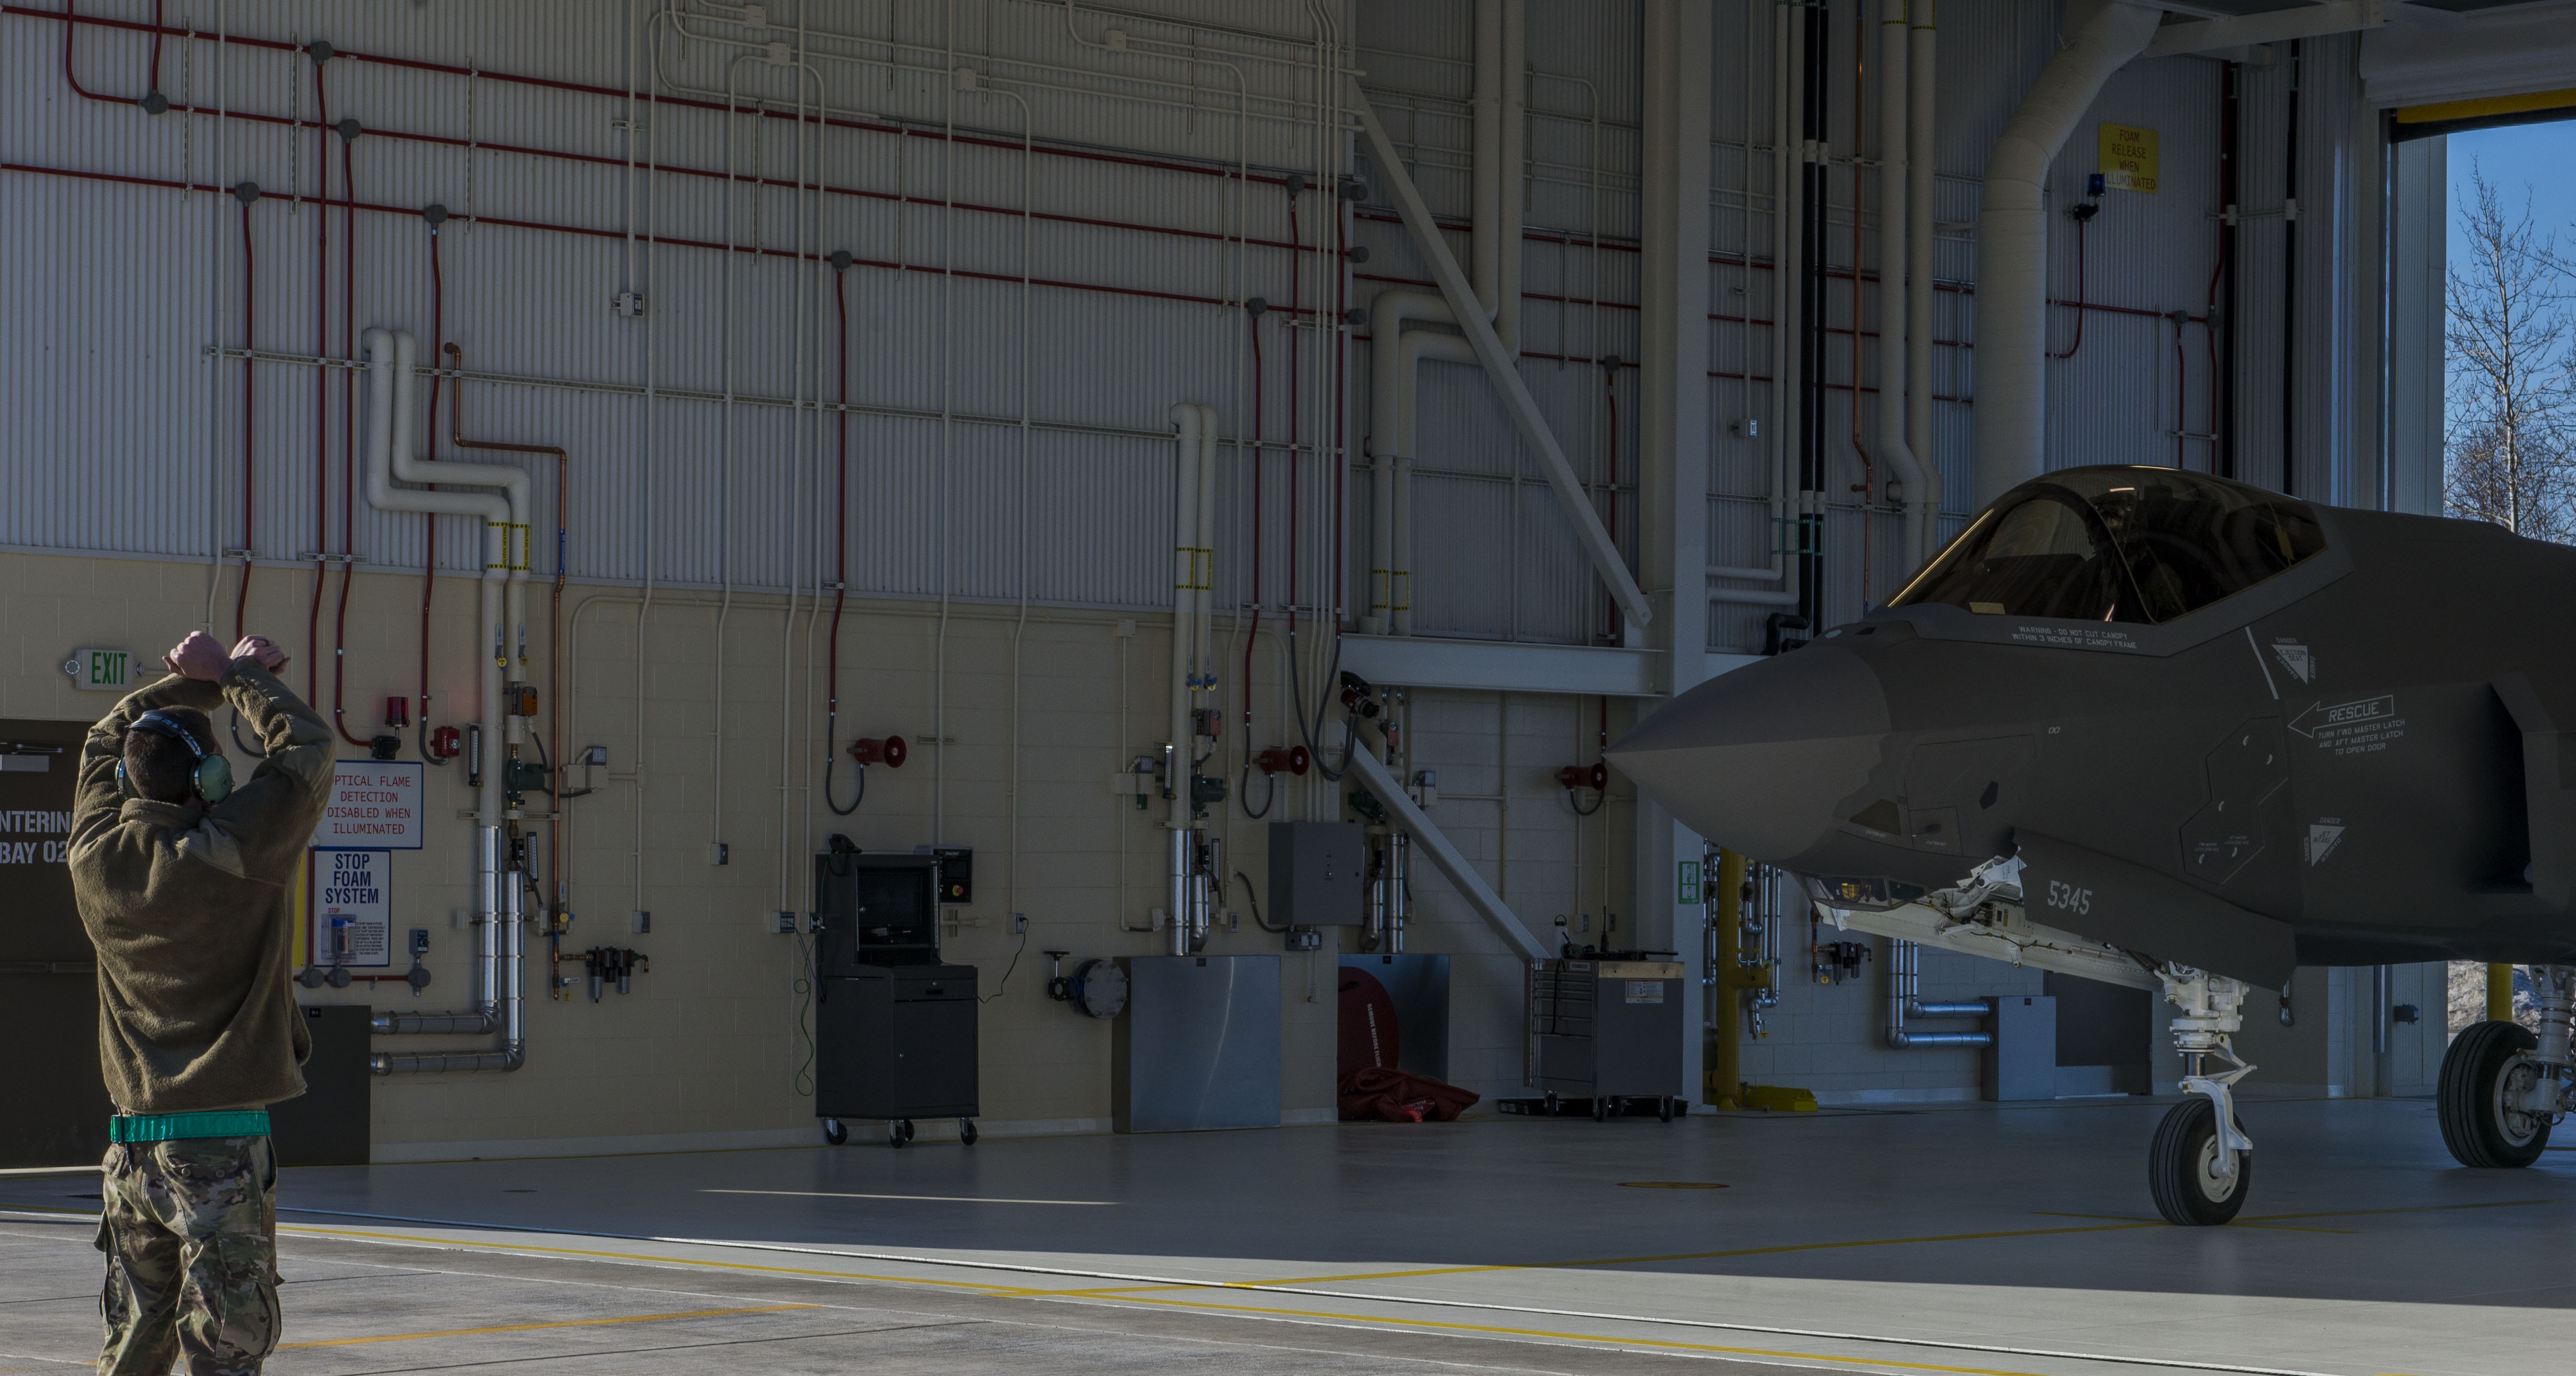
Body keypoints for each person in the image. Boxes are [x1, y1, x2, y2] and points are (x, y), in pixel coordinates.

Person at [68, 630, 334, 1375]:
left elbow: (102, 739)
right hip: (219, 1145)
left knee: (132, 1347)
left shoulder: (94, 857)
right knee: (225, 1351)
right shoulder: (236, 852)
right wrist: (239, 678)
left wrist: (200, 684)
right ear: (213, 780)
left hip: (131, 1149)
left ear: (127, 782)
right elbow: (306, 750)